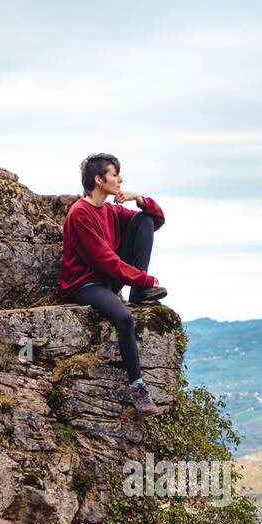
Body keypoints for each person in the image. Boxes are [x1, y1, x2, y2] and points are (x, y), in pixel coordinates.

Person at [60, 152, 168, 416]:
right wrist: (147, 277)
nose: (120, 179)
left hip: (107, 280)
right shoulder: (80, 213)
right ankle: (138, 388)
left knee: (144, 219)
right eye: (115, 174)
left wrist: (140, 199)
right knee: (124, 319)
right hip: (85, 284)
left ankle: (140, 293)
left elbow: (157, 220)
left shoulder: (108, 210)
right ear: (99, 180)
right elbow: (106, 262)